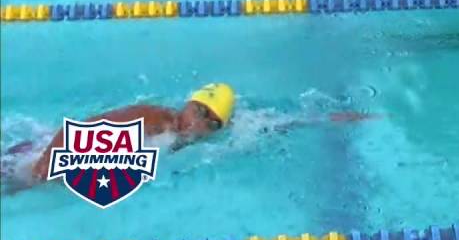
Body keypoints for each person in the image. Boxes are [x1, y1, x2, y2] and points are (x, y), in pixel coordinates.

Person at [9, 83, 373, 191]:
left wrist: (323, 119)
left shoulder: (201, 140)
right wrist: (43, 168)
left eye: (211, 123)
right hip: (37, 159)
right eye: (199, 111)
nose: (199, 124)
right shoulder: (154, 119)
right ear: (188, 103)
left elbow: (273, 123)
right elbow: (78, 131)